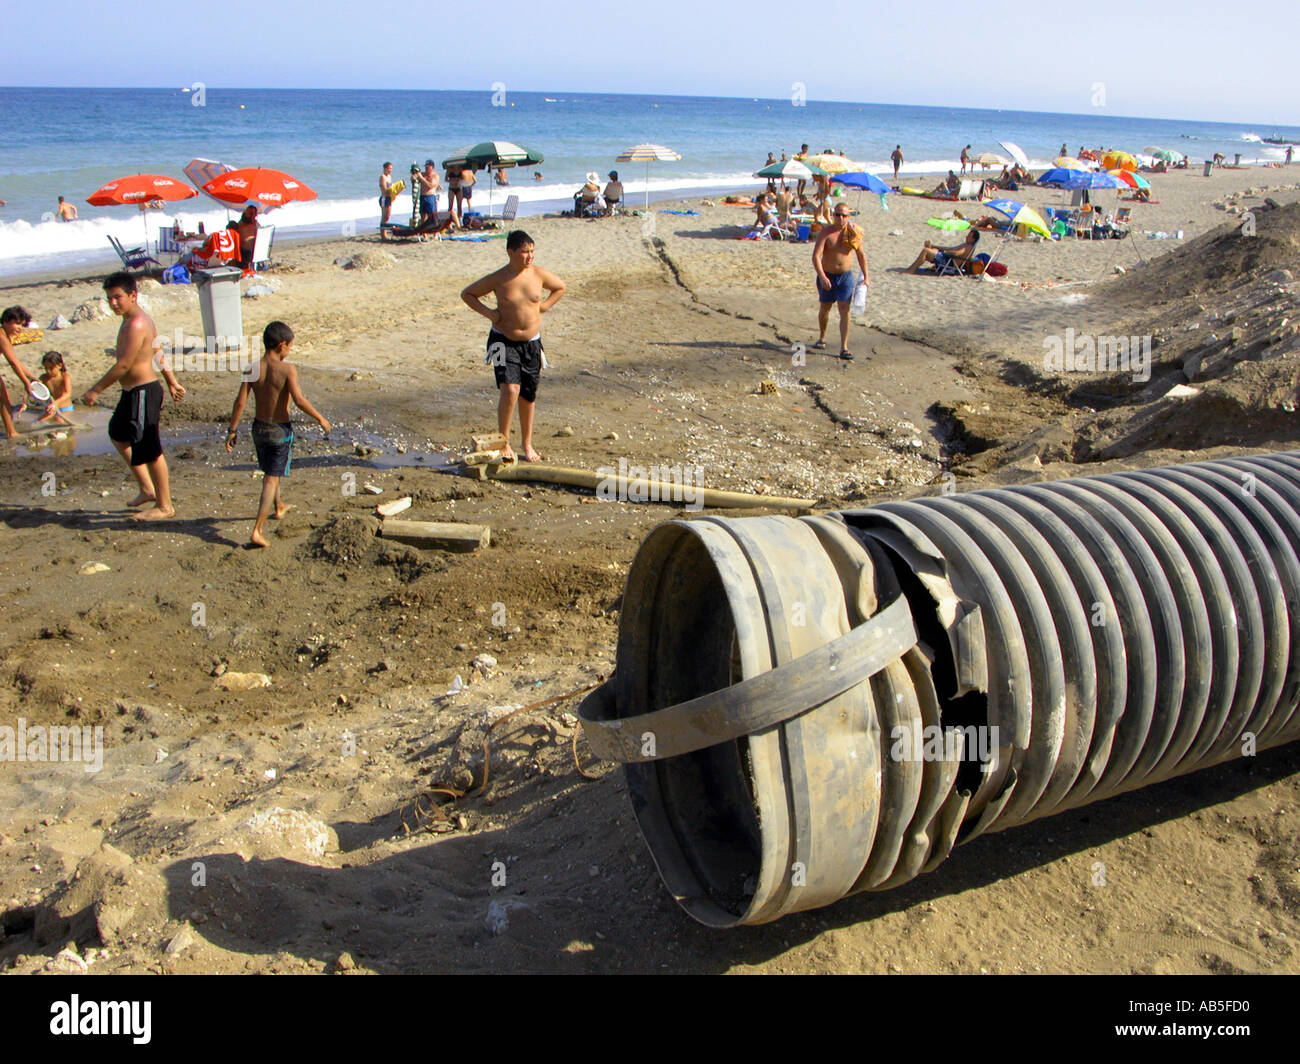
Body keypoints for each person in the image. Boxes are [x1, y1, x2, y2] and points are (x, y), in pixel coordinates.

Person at [81, 272, 185, 520]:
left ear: (132, 295)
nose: (113, 303)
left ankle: (165, 505)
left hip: (143, 392)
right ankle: (147, 489)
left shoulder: (138, 322)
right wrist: (172, 380)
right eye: (109, 299)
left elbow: (124, 365)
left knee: (150, 449)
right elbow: (156, 348)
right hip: (131, 392)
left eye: (117, 297)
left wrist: (95, 389)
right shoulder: (130, 320)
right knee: (118, 434)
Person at [460, 230, 566, 463]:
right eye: (524, 252)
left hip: (531, 343)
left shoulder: (538, 274)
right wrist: (490, 314)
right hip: (501, 341)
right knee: (509, 390)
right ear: (510, 252)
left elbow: (560, 287)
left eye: (532, 251)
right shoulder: (499, 278)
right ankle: (504, 442)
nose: (530, 256)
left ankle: (527, 444)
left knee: (528, 395)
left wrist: (545, 306)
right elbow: (467, 294)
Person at [225, 320, 330, 549]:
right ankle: (257, 530)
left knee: (272, 470)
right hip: (279, 431)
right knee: (271, 478)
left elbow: (240, 402)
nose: (289, 351)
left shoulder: (252, 368)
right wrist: (320, 418)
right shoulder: (287, 369)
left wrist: (232, 430)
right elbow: (299, 400)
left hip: (258, 429)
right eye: (290, 347)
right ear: (282, 345)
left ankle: (279, 506)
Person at [812, 204, 869, 360]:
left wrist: (866, 276)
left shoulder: (852, 233)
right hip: (827, 275)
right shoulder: (826, 232)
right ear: (833, 215)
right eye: (837, 215)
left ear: (848, 216)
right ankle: (822, 336)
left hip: (846, 277)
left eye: (844, 215)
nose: (840, 218)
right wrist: (822, 277)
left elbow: (861, 255)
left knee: (845, 310)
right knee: (825, 308)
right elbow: (816, 256)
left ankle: (844, 347)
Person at [1, 306, 40, 438]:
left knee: (3, 400)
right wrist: (26, 382)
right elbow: (12, 363)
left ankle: (11, 431)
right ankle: (11, 432)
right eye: (17, 324)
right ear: (6, 321)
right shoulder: (2, 337)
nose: (20, 328)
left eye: (22, 325)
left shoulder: (6, 336)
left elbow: (16, 360)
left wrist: (30, 377)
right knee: (3, 400)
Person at [905, 228, 980, 274]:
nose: (966, 237)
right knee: (930, 250)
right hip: (948, 259)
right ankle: (911, 268)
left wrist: (944, 252)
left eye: (969, 236)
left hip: (949, 262)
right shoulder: (965, 244)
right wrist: (934, 246)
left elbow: (956, 253)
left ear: (973, 239)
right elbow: (950, 248)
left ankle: (911, 269)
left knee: (926, 251)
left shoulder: (968, 247)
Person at [37, 351, 73, 423]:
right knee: (39, 421)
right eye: (46, 368)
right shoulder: (44, 378)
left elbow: (68, 393)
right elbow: (35, 389)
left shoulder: (65, 377)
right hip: (52, 408)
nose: (48, 371)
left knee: (59, 421)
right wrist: (25, 403)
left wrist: (55, 403)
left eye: (51, 368)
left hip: (65, 408)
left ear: (59, 365)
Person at [233, 205, 259, 270]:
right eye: (249, 213)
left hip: (253, 250)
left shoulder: (256, 224)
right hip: (243, 251)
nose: (251, 215)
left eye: (253, 214)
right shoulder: (241, 224)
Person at [378, 161, 395, 228]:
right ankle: (383, 234)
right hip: (384, 198)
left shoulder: (389, 177)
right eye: (389, 168)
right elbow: (385, 190)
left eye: (391, 169)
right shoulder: (382, 177)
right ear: (385, 168)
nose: (390, 170)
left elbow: (391, 188)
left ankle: (384, 231)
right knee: (384, 217)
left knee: (387, 216)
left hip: (389, 198)